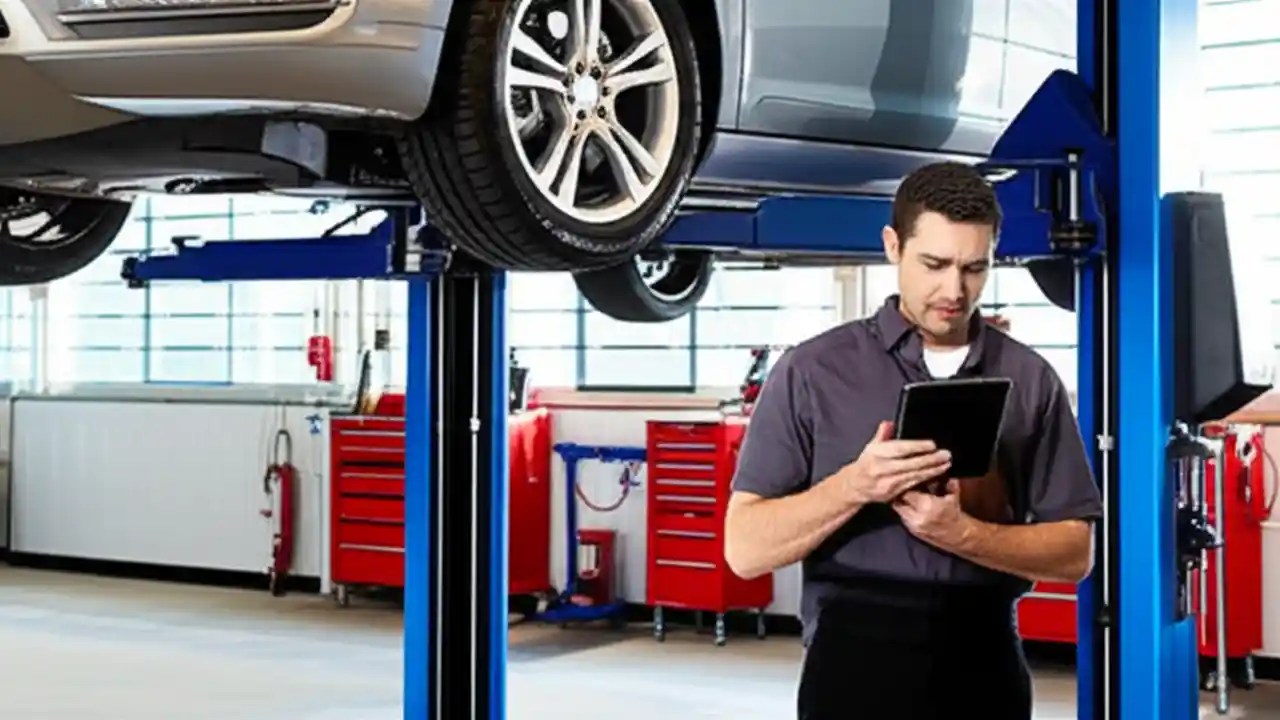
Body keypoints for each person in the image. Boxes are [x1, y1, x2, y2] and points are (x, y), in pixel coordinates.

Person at [722, 161, 1103, 720]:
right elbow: (745, 549)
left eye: (976, 267)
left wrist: (962, 534)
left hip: (984, 662)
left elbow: (1076, 553)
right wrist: (855, 486)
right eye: (935, 264)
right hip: (853, 664)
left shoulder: (1031, 379)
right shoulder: (811, 372)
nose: (955, 289)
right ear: (892, 246)